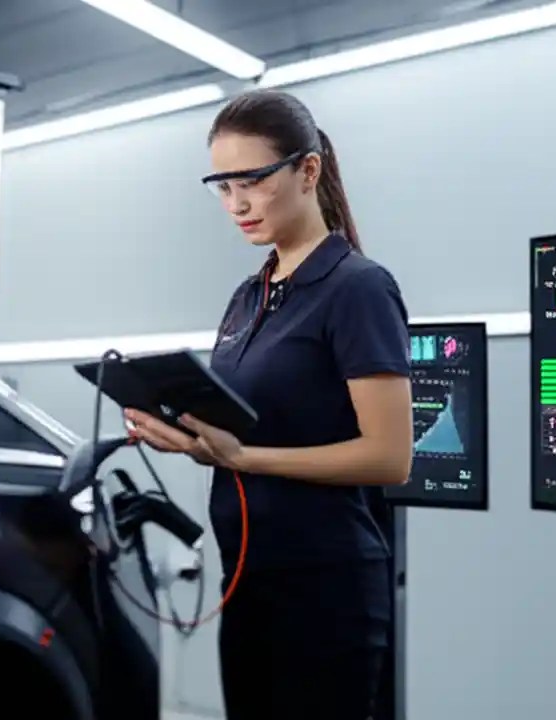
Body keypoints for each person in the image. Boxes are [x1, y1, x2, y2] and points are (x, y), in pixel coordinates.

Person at [123, 88, 413, 720]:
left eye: (252, 181)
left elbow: (391, 457)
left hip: (326, 592)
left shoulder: (358, 289)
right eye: (222, 187)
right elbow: (241, 434)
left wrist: (245, 457)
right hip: (248, 579)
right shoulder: (247, 296)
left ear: (308, 171)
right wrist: (187, 438)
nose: (238, 205)